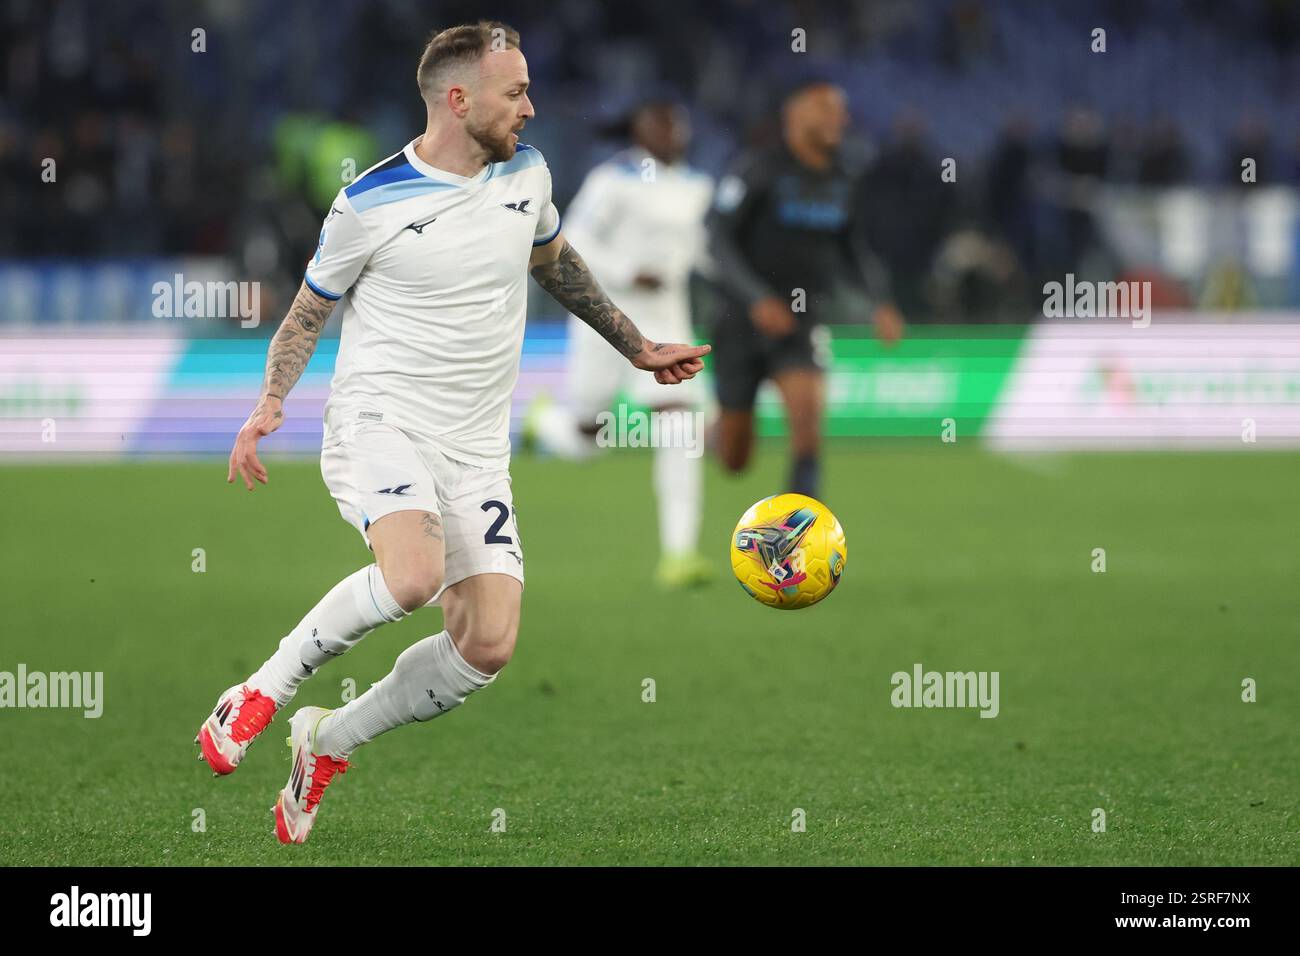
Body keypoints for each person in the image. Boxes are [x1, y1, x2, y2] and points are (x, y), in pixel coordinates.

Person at [195, 21, 709, 844]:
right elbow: (306, 312)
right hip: (380, 421)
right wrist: (269, 403)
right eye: (516, 93)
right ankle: (260, 689)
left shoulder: (528, 175)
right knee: (411, 577)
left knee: (488, 643)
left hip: (476, 448)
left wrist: (639, 348)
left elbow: (556, 264)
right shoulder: (368, 201)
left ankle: (326, 741)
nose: (531, 109)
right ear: (459, 100)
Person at [527, 96, 715, 588]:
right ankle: (544, 423)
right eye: (660, 121)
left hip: (667, 320)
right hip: (606, 318)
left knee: (679, 426)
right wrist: (629, 271)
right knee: (588, 439)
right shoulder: (612, 181)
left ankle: (680, 555)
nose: (671, 129)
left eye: (676, 120)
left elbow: (702, 251)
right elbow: (572, 242)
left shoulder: (698, 187)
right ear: (638, 131)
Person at [707, 79, 904, 498]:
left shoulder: (843, 179)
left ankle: (797, 539)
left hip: (799, 326)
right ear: (794, 115)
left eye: (841, 109)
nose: (840, 118)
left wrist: (880, 302)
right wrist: (756, 297)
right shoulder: (758, 167)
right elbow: (717, 240)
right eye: (827, 108)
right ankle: (718, 429)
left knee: (808, 431)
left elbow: (853, 248)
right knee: (735, 461)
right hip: (737, 324)